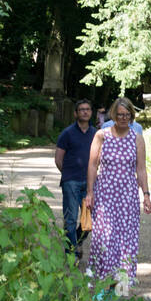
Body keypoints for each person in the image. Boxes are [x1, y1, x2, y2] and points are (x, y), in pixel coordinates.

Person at [84, 97, 150, 295]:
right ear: (113, 115)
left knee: (126, 239)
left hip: (127, 196)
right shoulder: (101, 135)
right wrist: (90, 192)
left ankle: (122, 286)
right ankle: (102, 283)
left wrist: (146, 194)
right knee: (104, 237)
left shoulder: (136, 138)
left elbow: (141, 169)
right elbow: (92, 165)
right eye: (120, 114)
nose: (123, 118)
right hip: (105, 194)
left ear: (131, 116)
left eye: (127, 115)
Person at [54, 98, 98, 261]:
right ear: (76, 113)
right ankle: (71, 252)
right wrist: (68, 175)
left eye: (88, 109)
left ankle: (77, 241)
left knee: (91, 219)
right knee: (71, 219)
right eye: (82, 109)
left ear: (91, 112)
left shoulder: (96, 134)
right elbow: (58, 159)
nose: (85, 112)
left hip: (90, 183)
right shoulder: (67, 133)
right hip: (71, 182)